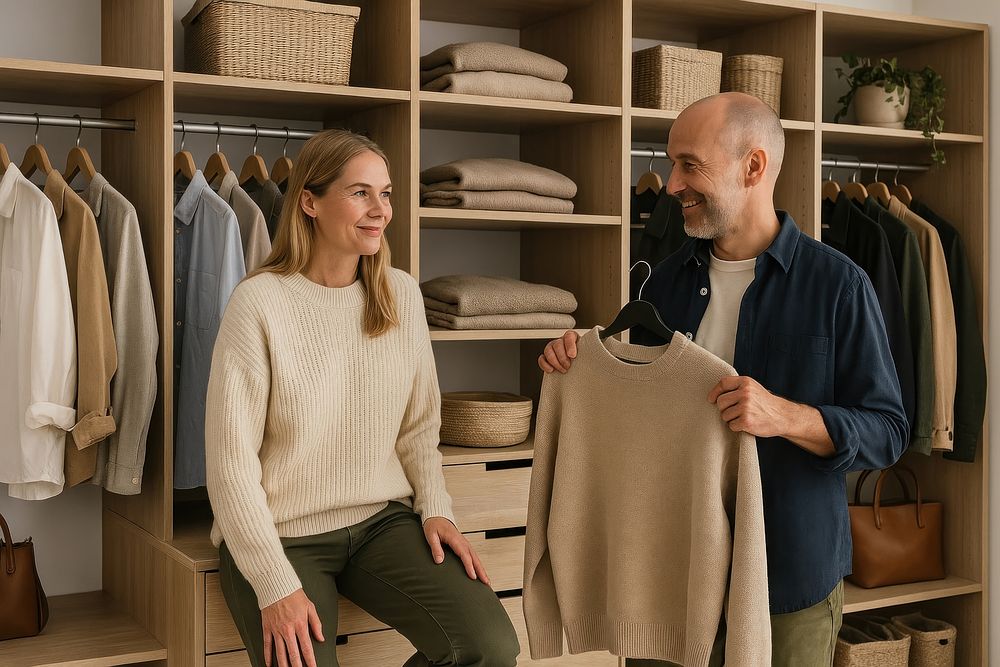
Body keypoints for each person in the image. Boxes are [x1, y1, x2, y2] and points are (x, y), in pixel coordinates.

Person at [539, 92, 908, 666]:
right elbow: (639, 410)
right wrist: (580, 362)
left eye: (690, 164)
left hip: (787, 581)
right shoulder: (662, 281)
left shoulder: (839, 286)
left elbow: (887, 432)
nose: (671, 183)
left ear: (753, 166)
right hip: (670, 574)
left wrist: (783, 415)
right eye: (671, 163)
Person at [206, 129, 520, 667]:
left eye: (387, 193)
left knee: (489, 647)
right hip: (282, 535)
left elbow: (419, 426)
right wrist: (275, 584)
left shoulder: (400, 295)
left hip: (380, 523)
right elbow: (230, 464)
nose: (381, 210)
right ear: (309, 201)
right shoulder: (258, 302)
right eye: (360, 193)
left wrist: (435, 509)